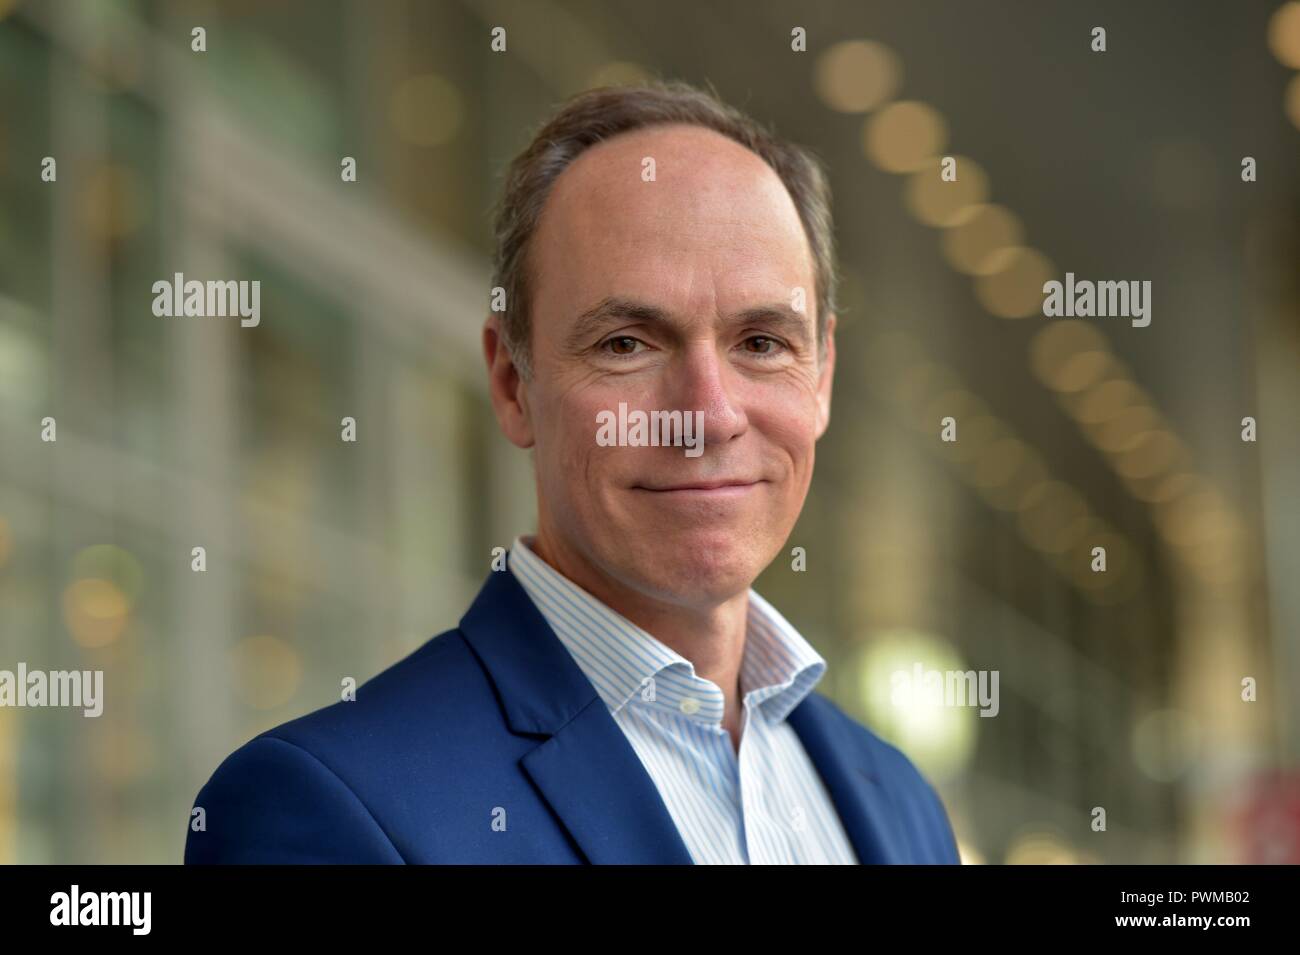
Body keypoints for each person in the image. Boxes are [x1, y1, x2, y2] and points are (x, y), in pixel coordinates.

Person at [185, 80, 960, 864]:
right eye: (627, 343)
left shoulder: (900, 801)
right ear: (511, 384)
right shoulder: (325, 806)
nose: (708, 415)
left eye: (761, 343)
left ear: (821, 378)